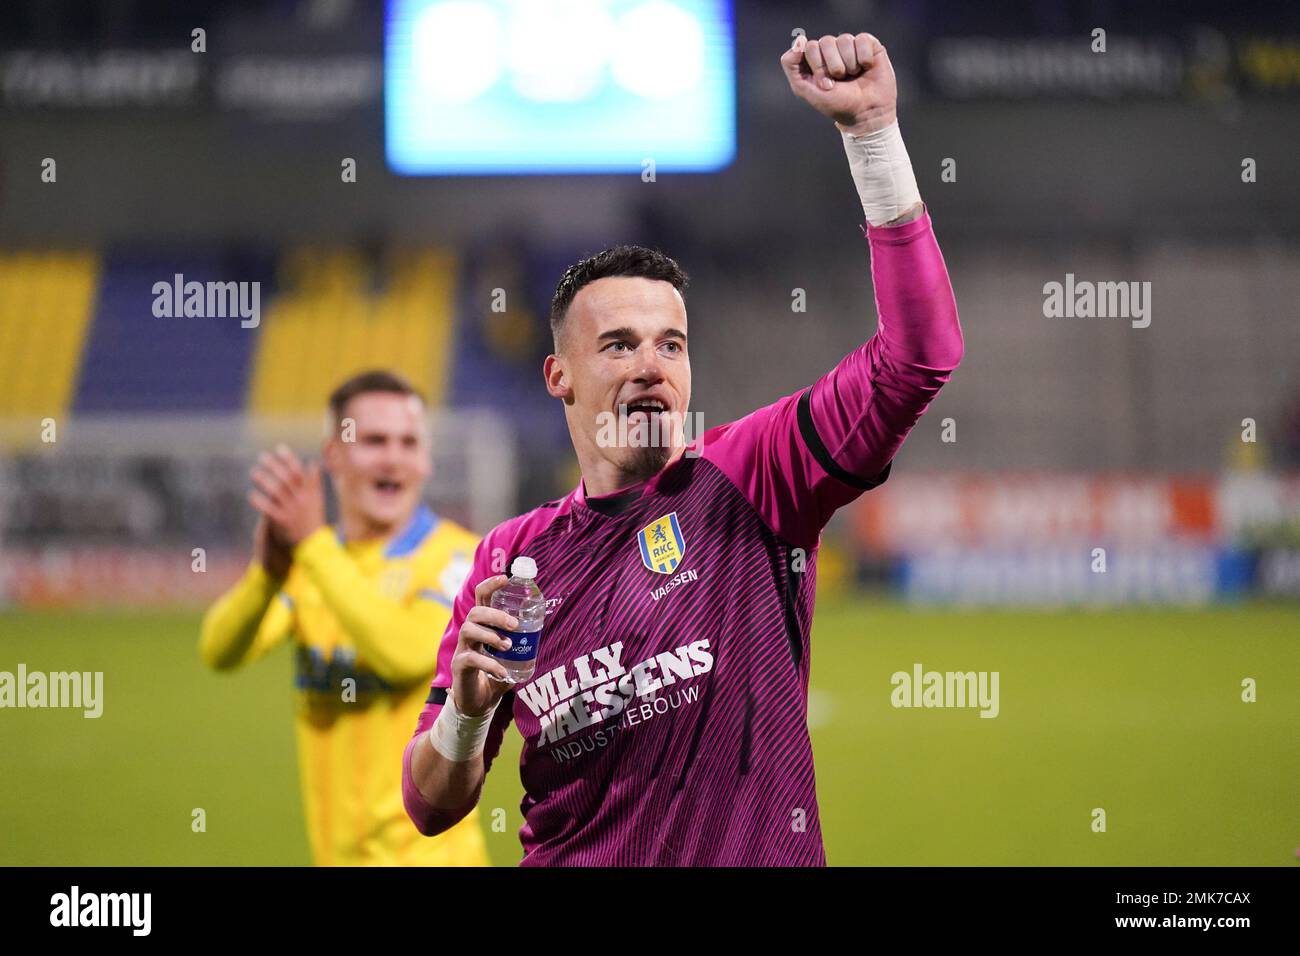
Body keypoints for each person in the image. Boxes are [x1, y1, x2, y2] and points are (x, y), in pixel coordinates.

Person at [403, 31, 964, 865]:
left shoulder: (750, 478)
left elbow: (919, 357)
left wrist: (873, 135)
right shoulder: (510, 561)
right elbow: (429, 806)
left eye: (672, 345)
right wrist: (471, 712)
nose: (651, 368)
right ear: (559, 374)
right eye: (620, 345)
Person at [200, 370, 489, 866]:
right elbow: (220, 650)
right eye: (374, 440)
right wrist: (266, 577)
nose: (394, 458)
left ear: (426, 459)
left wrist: (311, 546)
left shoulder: (460, 559)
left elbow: (406, 654)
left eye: (409, 442)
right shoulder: (315, 565)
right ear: (333, 455)